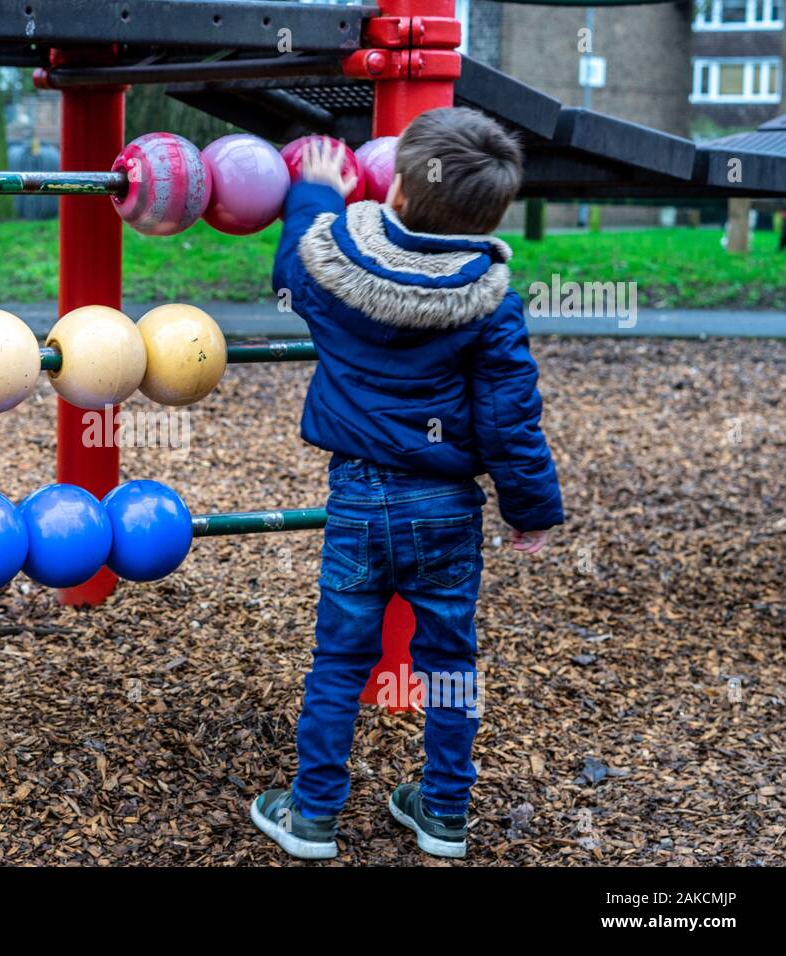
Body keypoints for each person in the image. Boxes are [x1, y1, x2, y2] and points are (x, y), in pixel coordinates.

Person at [251, 108, 564, 860]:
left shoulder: (334, 271)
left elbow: (293, 262)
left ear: (392, 194)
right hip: (448, 509)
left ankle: (314, 814)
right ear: (493, 215)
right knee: (452, 664)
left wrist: (315, 192)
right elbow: (509, 418)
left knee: (339, 661)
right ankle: (444, 812)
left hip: (359, 500)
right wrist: (532, 510)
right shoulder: (492, 301)